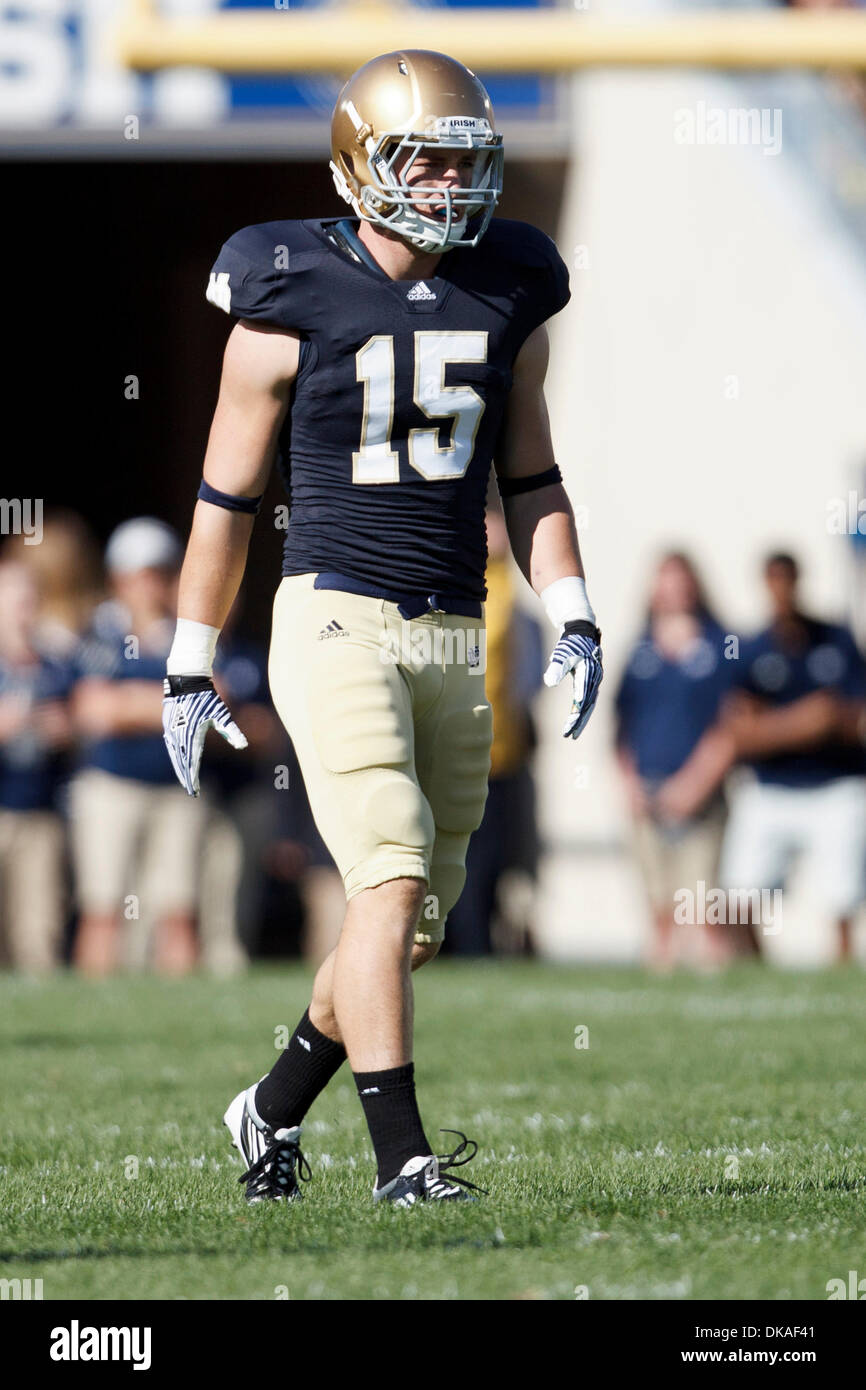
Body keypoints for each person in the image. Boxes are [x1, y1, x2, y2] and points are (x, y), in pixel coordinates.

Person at [162, 50, 603, 1206]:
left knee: (403, 925)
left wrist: (572, 610)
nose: (454, 180)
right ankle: (403, 1161)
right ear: (361, 165)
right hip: (335, 612)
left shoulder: (509, 285)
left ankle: (267, 1107)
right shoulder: (280, 288)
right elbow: (224, 504)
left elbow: (534, 476)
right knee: (390, 875)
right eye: (427, 156)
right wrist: (187, 660)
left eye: (468, 155)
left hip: (456, 626)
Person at [658, 553, 866, 961]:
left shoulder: (835, 639)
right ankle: (758, 970)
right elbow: (739, 732)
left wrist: (774, 726)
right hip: (772, 787)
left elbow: (853, 719)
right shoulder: (750, 649)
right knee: (738, 896)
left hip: (834, 785)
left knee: (841, 898)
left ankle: (840, 969)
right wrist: (807, 721)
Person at [70, 518, 205, 975]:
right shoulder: (100, 630)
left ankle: (178, 1023)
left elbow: (212, 701)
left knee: (178, 912)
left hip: (177, 788)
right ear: (119, 578)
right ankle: (93, 1020)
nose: (151, 586)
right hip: (112, 788)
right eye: (141, 574)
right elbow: (93, 709)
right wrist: (169, 703)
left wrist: (133, 704)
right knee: (104, 909)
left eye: (161, 573)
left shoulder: (192, 632)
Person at [615, 552, 734, 970]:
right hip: (648, 794)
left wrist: (695, 783)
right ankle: (661, 987)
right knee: (660, 906)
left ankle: (714, 990)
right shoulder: (641, 649)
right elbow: (621, 725)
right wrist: (629, 784)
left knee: (701, 905)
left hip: (701, 797)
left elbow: (732, 723)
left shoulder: (720, 645)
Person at [0, 560, 73, 972]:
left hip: (41, 814)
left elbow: (83, 721)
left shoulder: (56, 666)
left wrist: (66, 729)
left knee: (38, 926)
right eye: (12, 601)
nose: (21, 611)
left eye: (28, 601)